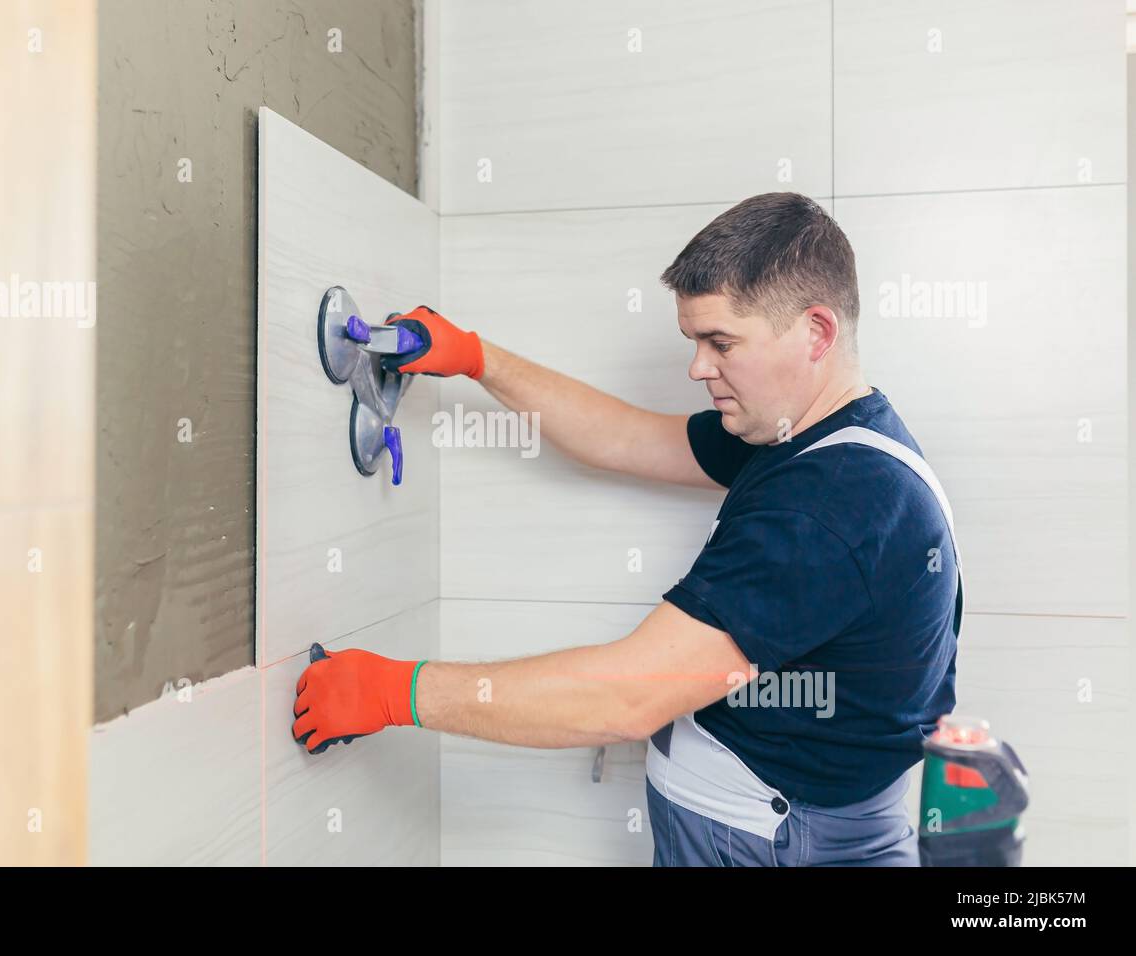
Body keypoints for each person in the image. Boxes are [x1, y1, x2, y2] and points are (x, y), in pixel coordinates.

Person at [291, 192, 961, 867]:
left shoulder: (833, 505)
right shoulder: (808, 434)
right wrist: (473, 357)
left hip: (773, 846)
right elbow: (626, 438)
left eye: (720, 342)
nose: (698, 368)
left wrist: (393, 693)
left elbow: (628, 694)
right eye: (694, 341)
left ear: (815, 333)